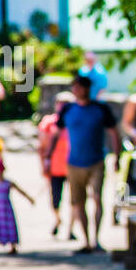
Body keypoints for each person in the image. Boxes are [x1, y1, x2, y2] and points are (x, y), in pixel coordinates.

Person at [58, 74, 118, 254]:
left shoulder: (101, 109)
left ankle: (96, 239)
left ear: (86, 89)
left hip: (96, 161)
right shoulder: (67, 109)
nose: (76, 91)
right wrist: (47, 157)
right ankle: (85, 240)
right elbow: (56, 132)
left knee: (97, 198)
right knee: (78, 202)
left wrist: (117, 156)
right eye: (74, 87)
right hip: (74, 162)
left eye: (79, 87)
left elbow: (113, 133)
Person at [38, 92, 77, 239]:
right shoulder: (49, 122)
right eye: (60, 102)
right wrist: (43, 165)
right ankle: (58, 220)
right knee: (55, 200)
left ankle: (71, 229)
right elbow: (41, 147)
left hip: (74, 165)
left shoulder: (75, 121)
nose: (62, 106)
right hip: (55, 167)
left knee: (75, 200)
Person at [0, 158, 34, 255]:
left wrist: (29, 198)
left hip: (6, 210)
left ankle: (13, 245)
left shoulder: (7, 183)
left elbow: (20, 191)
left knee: (9, 227)